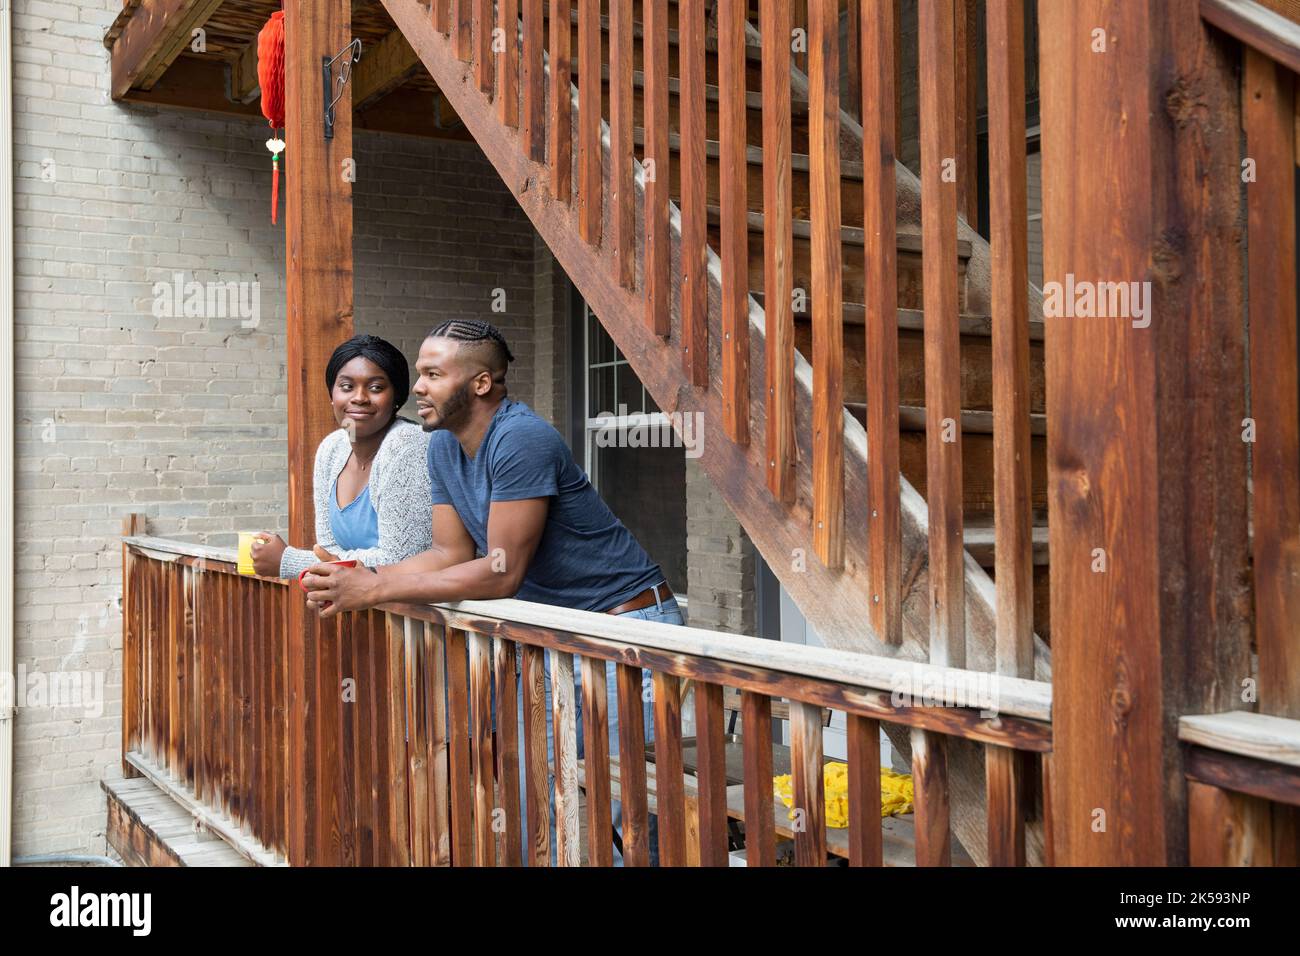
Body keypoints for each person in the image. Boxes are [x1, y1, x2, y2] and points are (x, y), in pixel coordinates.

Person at [300, 319, 682, 865]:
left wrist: (375, 589)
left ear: (481, 383)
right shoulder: (442, 449)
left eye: (433, 373)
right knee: (535, 799)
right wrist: (368, 580)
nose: (419, 387)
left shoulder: (521, 439)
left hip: (625, 631)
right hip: (552, 637)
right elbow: (449, 554)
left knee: (619, 813)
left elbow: (500, 572)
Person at [250, 334, 432, 579]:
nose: (359, 397)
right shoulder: (332, 448)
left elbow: (399, 559)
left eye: (376, 387)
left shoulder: (409, 444)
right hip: (359, 604)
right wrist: (330, 564)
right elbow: (327, 551)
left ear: (397, 398)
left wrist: (290, 561)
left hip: (419, 608)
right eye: (346, 387)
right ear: (331, 395)